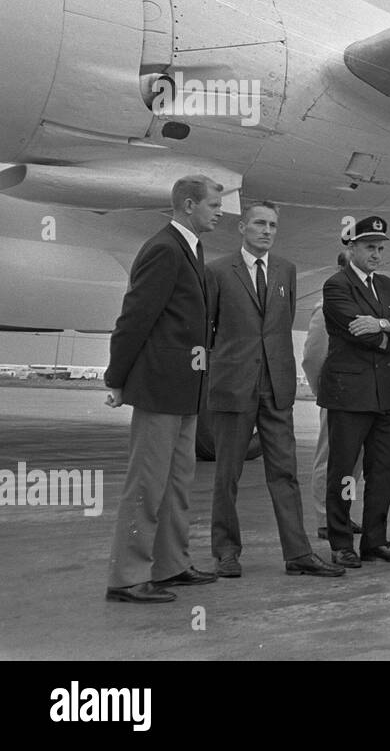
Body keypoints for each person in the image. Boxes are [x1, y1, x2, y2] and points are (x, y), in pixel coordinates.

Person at [104, 175, 223, 603]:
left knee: (176, 484)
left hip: (185, 389)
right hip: (158, 388)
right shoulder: (163, 248)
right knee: (147, 485)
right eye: (213, 204)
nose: (220, 210)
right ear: (188, 205)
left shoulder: (192, 248)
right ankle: (127, 577)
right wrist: (116, 378)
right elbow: (134, 318)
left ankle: (171, 564)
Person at [207, 201, 342, 578]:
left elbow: (277, 328)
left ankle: (298, 553)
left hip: (276, 388)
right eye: (259, 224)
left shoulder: (286, 270)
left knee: (285, 473)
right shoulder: (217, 272)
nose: (267, 231)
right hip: (234, 387)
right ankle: (226, 551)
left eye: (273, 225)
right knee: (227, 474)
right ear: (242, 228)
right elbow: (207, 331)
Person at [318, 216, 390, 568]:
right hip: (349, 393)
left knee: (384, 471)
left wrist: (381, 323)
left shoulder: (387, 285)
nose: (376, 254)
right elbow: (358, 332)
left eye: (380, 248)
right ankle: (341, 542)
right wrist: (388, 331)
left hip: (385, 394)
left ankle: (375, 541)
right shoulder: (336, 285)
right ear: (352, 248)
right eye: (369, 247)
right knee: (345, 472)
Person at [305, 251, 363, 540]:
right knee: (329, 458)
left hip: (361, 397)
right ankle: (324, 518)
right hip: (336, 394)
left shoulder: (366, 302)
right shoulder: (325, 306)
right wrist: (322, 390)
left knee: (354, 461)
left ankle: (344, 512)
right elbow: (313, 356)